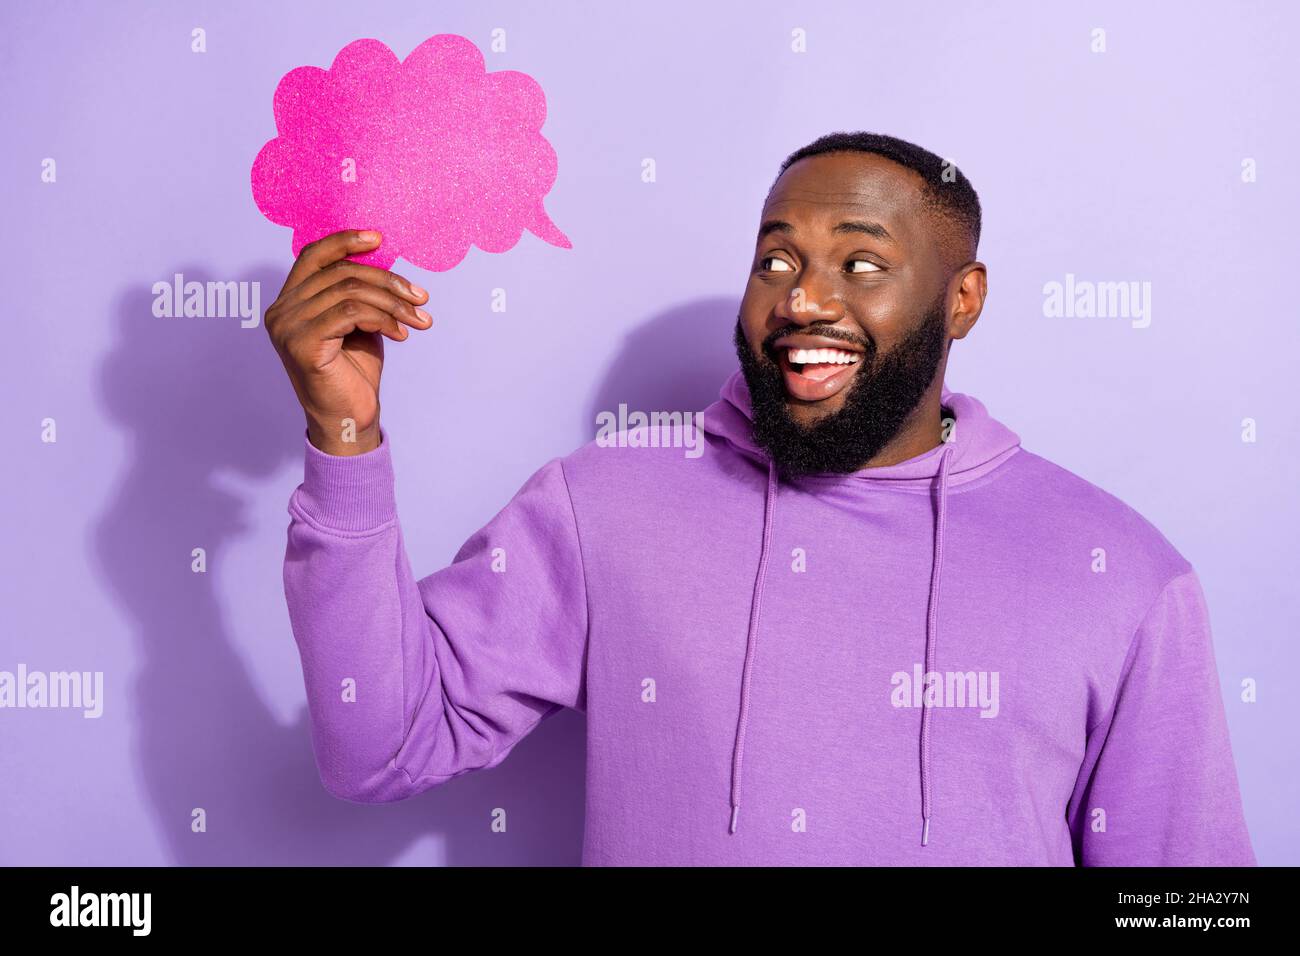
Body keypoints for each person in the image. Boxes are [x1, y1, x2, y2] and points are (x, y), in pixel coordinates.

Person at [264, 131, 1255, 866]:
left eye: (860, 263)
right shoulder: (606, 504)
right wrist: (343, 438)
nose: (802, 299)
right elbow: (378, 747)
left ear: (962, 299)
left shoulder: (1118, 573)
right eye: (776, 258)